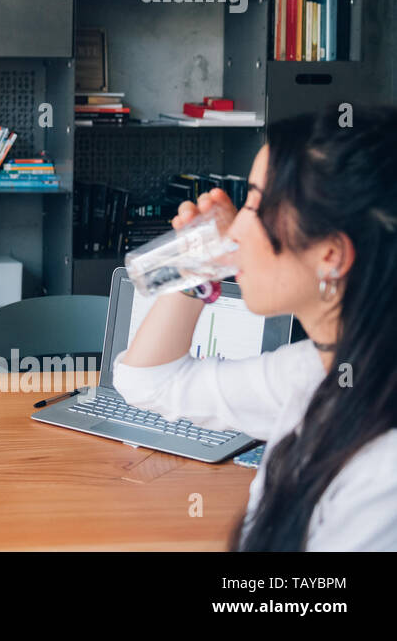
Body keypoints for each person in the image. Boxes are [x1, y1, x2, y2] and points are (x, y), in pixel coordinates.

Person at [116, 106, 397, 550]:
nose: (234, 228)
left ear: (330, 255)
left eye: (255, 204)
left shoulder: (385, 468)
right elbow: (149, 382)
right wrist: (197, 267)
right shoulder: (314, 371)